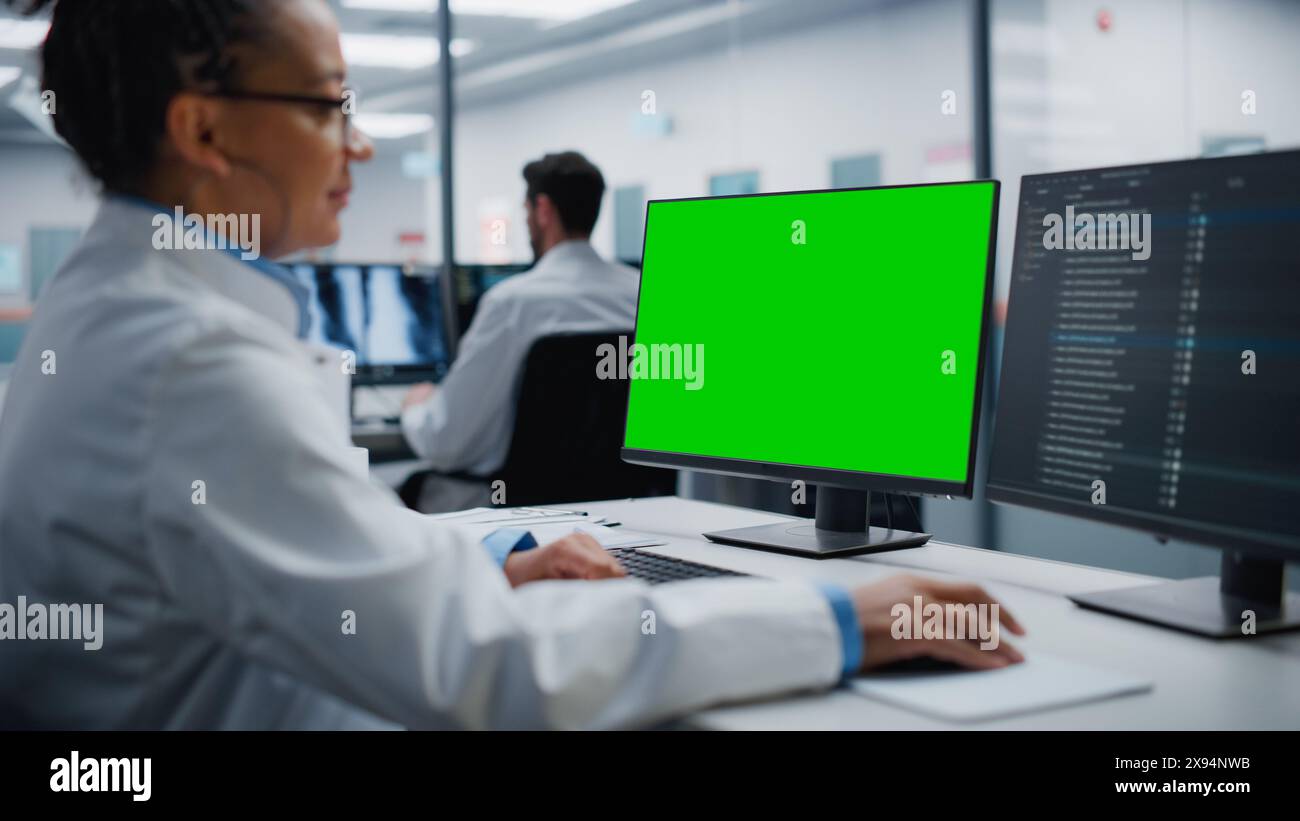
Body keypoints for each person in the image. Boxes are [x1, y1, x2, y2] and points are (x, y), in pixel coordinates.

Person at [0, 0, 1023, 731]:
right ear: (203, 129)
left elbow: (347, 533)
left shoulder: (106, 312)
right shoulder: (190, 361)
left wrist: (487, 560)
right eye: (327, 105)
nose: (355, 145)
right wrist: (846, 617)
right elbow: (490, 672)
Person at [400, 151, 638, 480]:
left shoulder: (511, 304)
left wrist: (416, 407)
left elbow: (446, 443)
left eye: (525, 211)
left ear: (542, 210)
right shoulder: (645, 294)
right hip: (633, 501)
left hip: (524, 508)